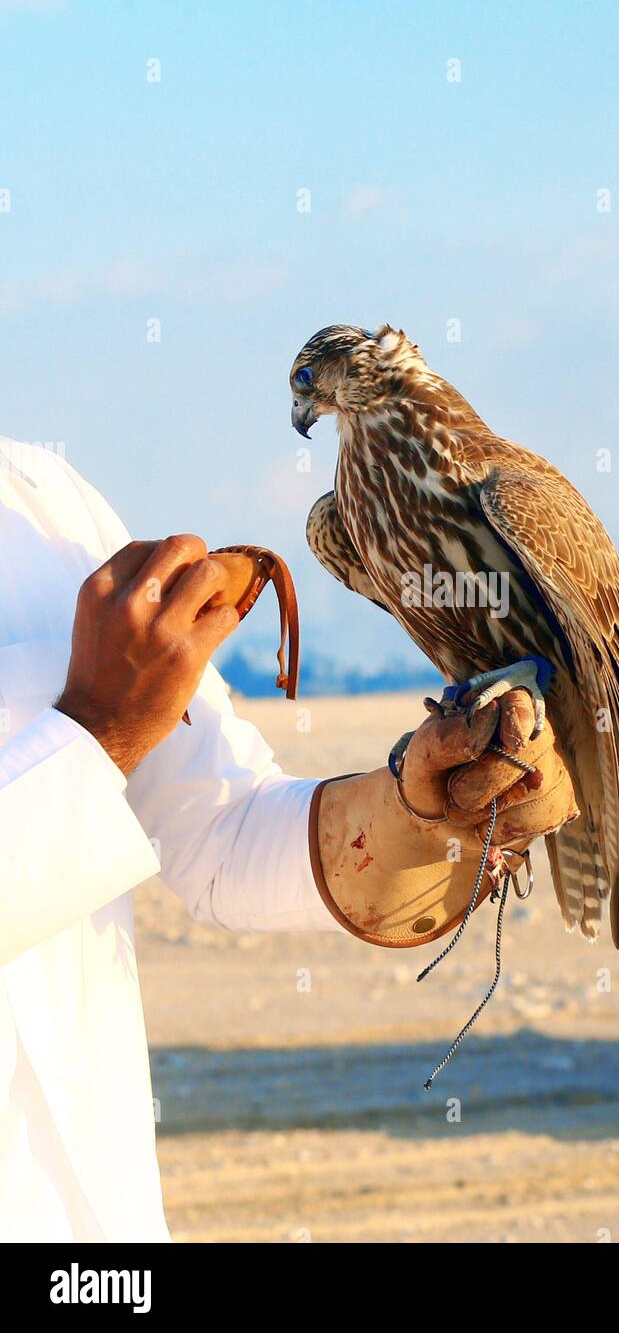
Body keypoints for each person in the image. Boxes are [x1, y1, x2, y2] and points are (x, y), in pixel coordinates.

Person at [0, 437, 575, 1241]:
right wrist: (100, 732)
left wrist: (419, 815)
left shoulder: (41, 500)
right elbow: (109, 741)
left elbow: (221, 834)